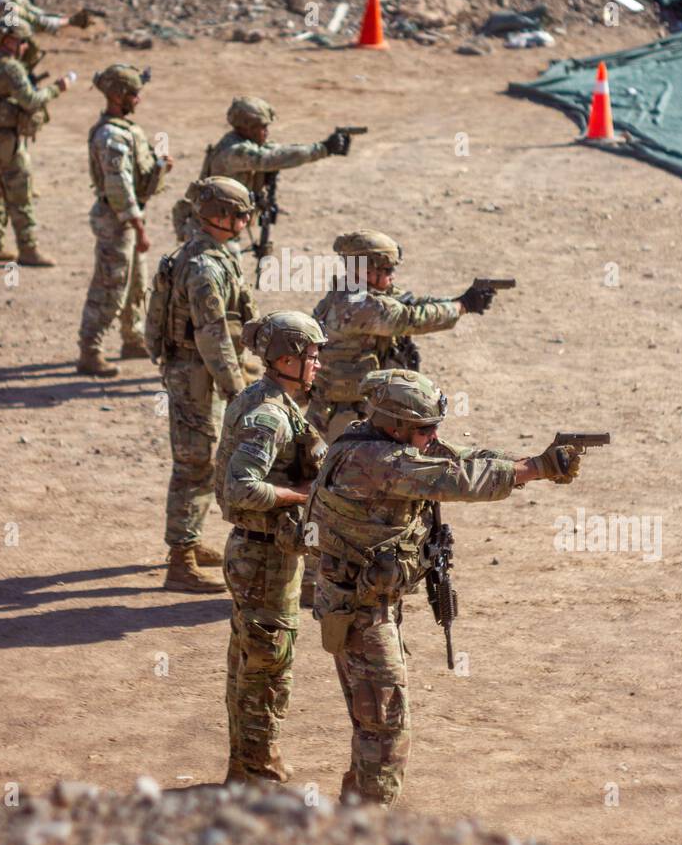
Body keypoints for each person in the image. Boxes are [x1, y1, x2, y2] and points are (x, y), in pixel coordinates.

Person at [307, 368, 583, 809]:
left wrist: (533, 463)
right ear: (394, 425)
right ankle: (361, 828)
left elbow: (460, 458)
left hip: (361, 603)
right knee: (385, 726)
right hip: (361, 612)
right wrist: (536, 469)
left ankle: (354, 814)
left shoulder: (374, 439)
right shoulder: (379, 463)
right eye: (424, 429)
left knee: (371, 719)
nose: (433, 437)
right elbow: (456, 480)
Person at [215, 311, 327, 785]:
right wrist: (302, 496)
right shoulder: (268, 415)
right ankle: (256, 776)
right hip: (264, 559)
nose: (318, 364)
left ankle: (248, 766)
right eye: (312, 356)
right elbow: (239, 488)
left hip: (256, 554)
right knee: (268, 668)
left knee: (249, 662)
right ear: (286, 359)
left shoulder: (260, 397)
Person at [145, 177, 258, 593]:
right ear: (220, 217)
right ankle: (180, 561)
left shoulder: (213, 252)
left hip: (202, 368)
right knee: (193, 461)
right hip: (194, 372)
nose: (247, 220)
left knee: (207, 458)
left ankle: (188, 542)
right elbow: (212, 335)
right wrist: (235, 387)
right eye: (241, 213)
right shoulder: (204, 267)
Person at [308, 231, 498, 443]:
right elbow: (409, 318)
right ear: (367, 270)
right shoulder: (356, 304)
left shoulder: (360, 292)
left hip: (353, 407)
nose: (393, 275)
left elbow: (410, 303)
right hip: (345, 415)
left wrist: (456, 301)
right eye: (388, 269)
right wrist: (462, 306)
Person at [77, 65, 172, 378]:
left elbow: (135, 177)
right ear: (117, 96)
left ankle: (132, 339)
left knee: (136, 284)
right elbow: (118, 187)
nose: (138, 100)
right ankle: (90, 350)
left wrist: (158, 166)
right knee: (110, 285)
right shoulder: (111, 137)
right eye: (133, 94)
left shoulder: (124, 129)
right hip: (118, 221)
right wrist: (138, 227)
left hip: (128, 219)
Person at [172, 95, 351, 241]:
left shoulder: (244, 142)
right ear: (247, 127)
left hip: (222, 224)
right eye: (262, 127)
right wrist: (323, 148)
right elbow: (269, 159)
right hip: (209, 230)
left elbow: (277, 151)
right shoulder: (234, 151)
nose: (266, 132)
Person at [0, 15, 74, 266]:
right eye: (22, 42)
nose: (26, 47)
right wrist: (58, 88)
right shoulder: (10, 68)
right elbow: (30, 100)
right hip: (7, 142)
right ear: (10, 42)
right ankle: (28, 250)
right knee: (20, 195)